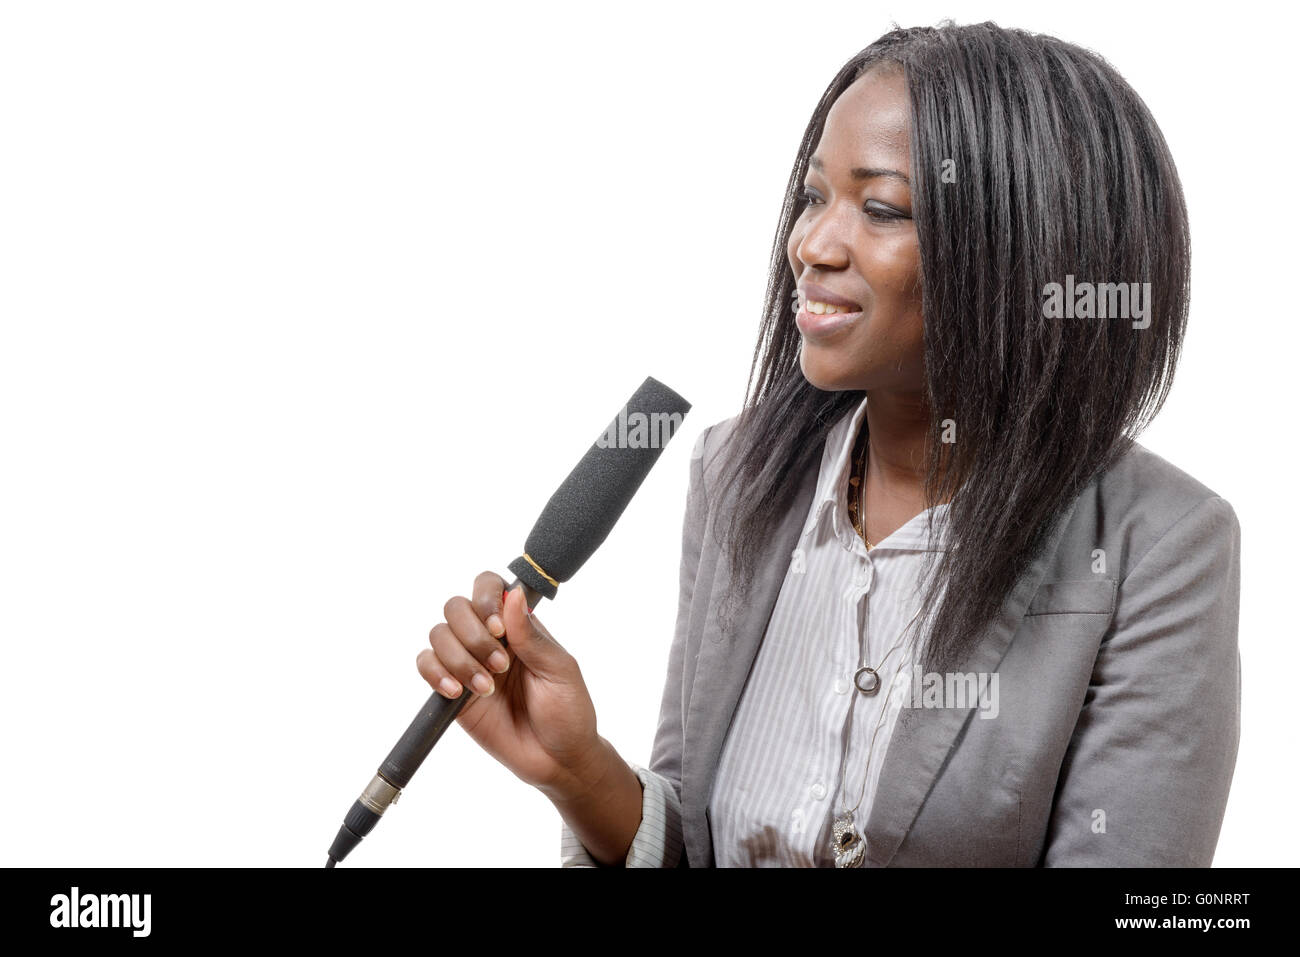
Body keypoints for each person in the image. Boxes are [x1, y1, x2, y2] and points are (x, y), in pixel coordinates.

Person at [415, 22, 1241, 867]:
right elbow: (692, 839)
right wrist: (578, 771)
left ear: (1029, 247)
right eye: (814, 197)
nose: (810, 245)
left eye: (878, 208)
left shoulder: (1159, 546)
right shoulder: (736, 475)